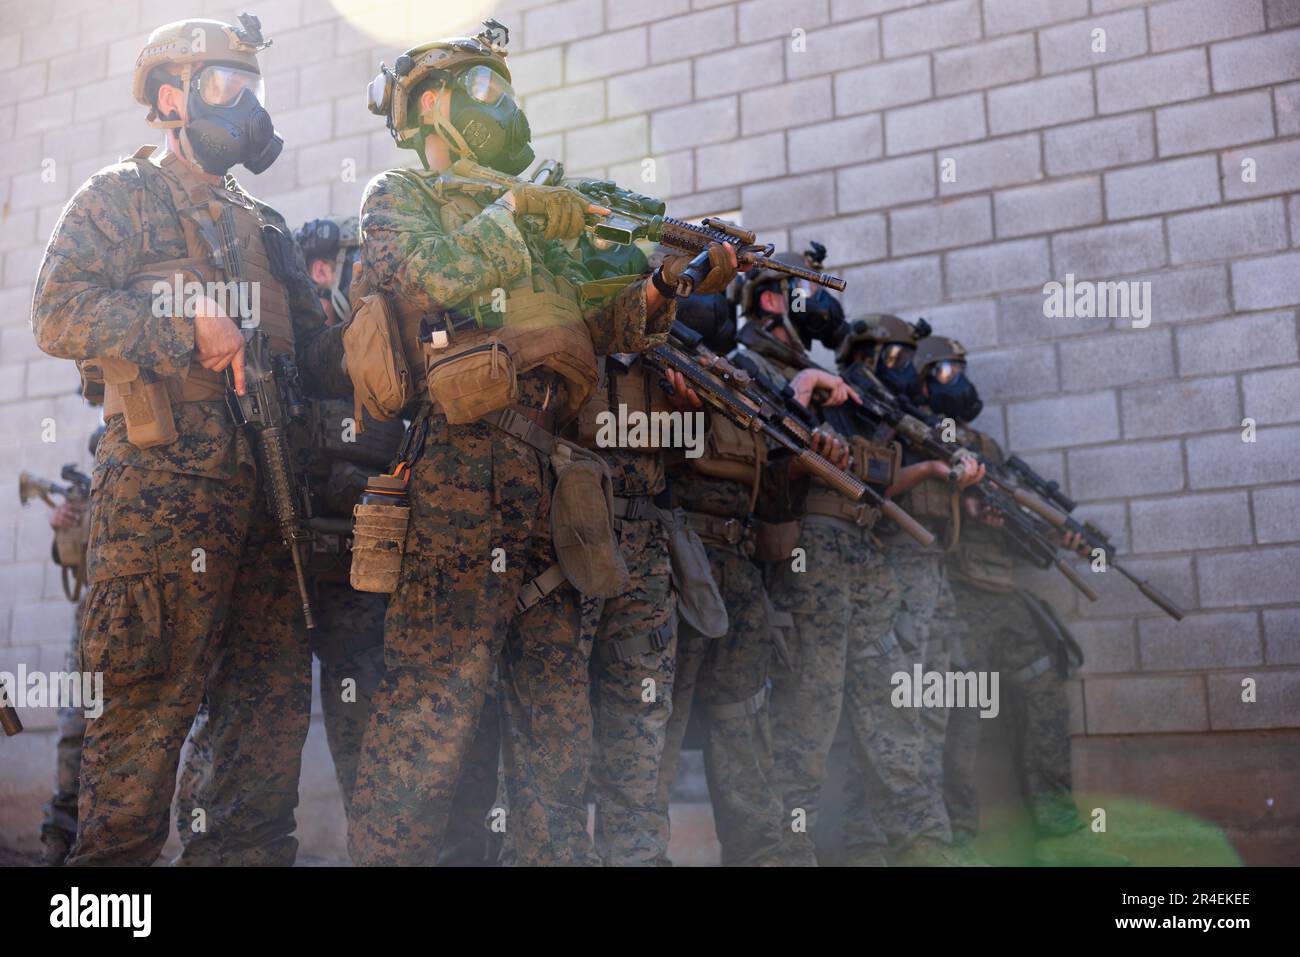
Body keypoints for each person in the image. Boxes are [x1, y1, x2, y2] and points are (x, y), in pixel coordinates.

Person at [344, 20, 739, 865]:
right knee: (429, 720)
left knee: (556, 737)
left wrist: (669, 279)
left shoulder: (538, 214)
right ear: (433, 107)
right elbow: (430, 274)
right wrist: (513, 212)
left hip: (558, 485)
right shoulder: (400, 194)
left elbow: (604, 324)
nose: (506, 106)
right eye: (487, 89)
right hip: (460, 472)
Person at [31, 14, 350, 866]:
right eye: (222, 83)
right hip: (160, 512)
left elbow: (320, 360)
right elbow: (55, 311)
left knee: (257, 782)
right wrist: (183, 324)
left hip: (270, 515)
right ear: (171, 97)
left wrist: (392, 314)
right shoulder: (118, 196)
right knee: (128, 783)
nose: (242, 102)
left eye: (249, 84)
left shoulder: (270, 226)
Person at [911, 336, 1128, 867]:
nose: (955, 381)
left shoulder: (985, 446)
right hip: (950, 598)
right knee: (959, 721)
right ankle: (956, 845)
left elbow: (1018, 529)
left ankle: (1059, 833)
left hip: (1003, 597)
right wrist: (960, 501)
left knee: (1046, 689)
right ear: (919, 380)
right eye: (943, 372)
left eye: (960, 370)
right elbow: (912, 511)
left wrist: (1060, 539)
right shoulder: (914, 435)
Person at [654, 290, 850, 866]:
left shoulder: (739, 381)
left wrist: (805, 456)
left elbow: (768, 498)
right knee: (658, 723)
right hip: (678, 566)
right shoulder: (655, 369)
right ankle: (638, 853)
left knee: (744, 720)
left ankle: (766, 855)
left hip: (737, 572)